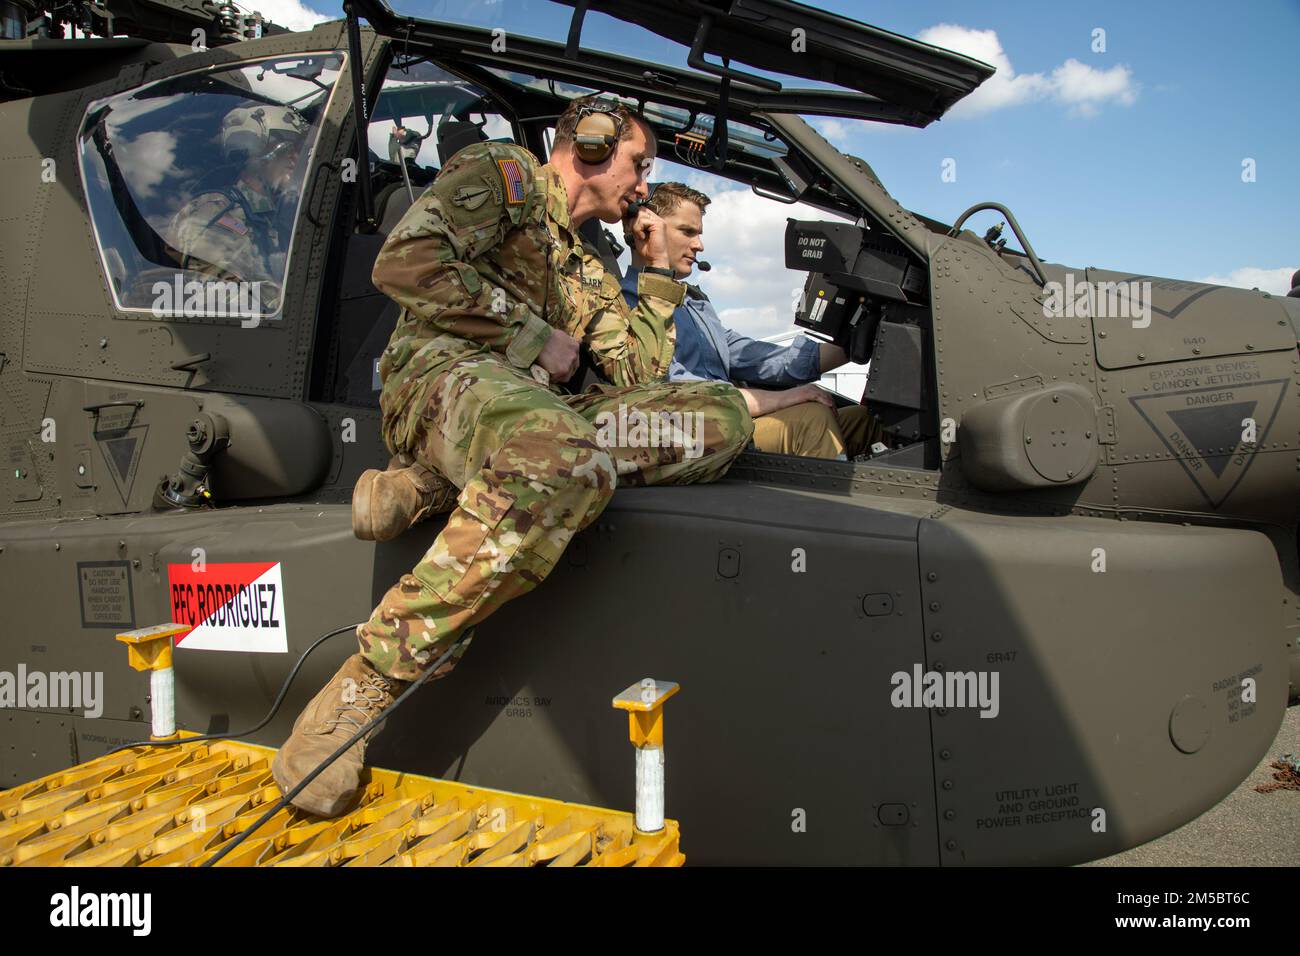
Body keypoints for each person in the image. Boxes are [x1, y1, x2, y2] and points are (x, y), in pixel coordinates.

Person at [271, 97, 754, 816]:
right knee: (563, 458)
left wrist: (655, 271)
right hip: (441, 379)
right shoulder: (504, 177)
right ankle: (365, 682)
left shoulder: (587, 266)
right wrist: (532, 337)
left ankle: (441, 484)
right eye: (639, 163)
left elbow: (639, 378)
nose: (644, 185)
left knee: (716, 418)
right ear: (592, 144)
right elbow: (404, 264)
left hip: (533, 415)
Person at [621, 182, 887, 460]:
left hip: (730, 422)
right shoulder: (628, 304)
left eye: (698, 234)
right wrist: (784, 398)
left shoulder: (693, 304)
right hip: (691, 435)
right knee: (812, 419)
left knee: (866, 421)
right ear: (645, 230)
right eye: (687, 232)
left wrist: (853, 346)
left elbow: (763, 359)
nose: (699, 245)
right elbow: (679, 393)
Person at [167, 104, 308, 311]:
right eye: (287, 149)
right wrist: (287, 303)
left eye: (297, 150)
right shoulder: (215, 212)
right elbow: (217, 293)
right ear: (255, 152)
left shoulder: (278, 214)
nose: (295, 158)